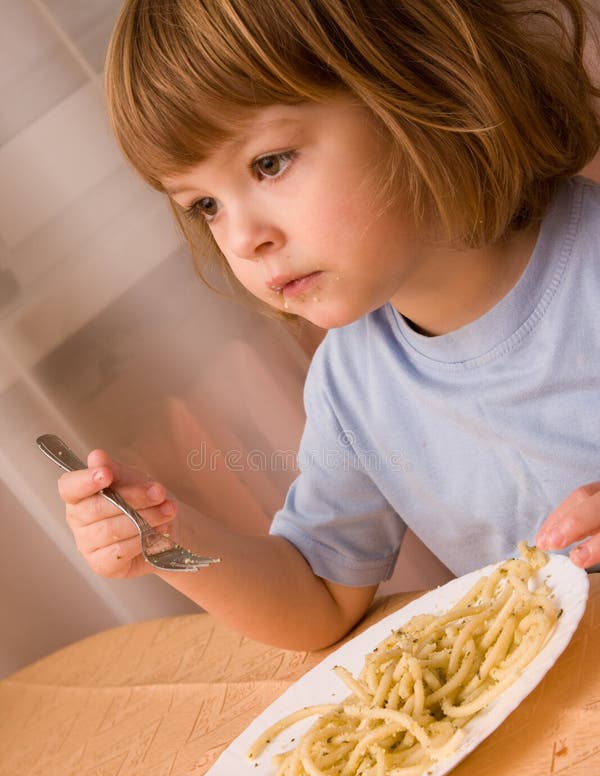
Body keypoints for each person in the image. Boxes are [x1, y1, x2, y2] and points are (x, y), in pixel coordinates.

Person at [57, 0, 600, 649]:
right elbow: (316, 598)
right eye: (205, 204)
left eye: (269, 163)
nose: (243, 238)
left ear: (416, 83)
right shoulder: (351, 382)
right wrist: (165, 539)